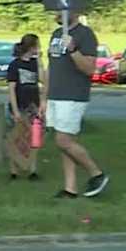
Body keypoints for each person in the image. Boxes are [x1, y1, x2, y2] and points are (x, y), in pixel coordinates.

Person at [44, 13, 107, 198]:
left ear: (73, 12)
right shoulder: (56, 33)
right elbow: (51, 67)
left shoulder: (85, 34)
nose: (56, 13)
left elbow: (89, 68)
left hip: (72, 95)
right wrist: (44, 97)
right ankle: (70, 188)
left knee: (63, 140)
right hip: (55, 95)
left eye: (61, 9)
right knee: (65, 143)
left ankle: (97, 174)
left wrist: (73, 50)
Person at [6, 34, 44, 181]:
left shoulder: (35, 64)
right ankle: (14, 170)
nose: (39, 48)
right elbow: (11, 89)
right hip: (19, 105)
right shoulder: (14, 65)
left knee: (35, 138)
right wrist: (15, 111)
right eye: (37, 45)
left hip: (33, 106)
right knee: (16, 138)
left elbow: (43, 80)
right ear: (31, 47)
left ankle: (32, 169)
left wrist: (40, 61)